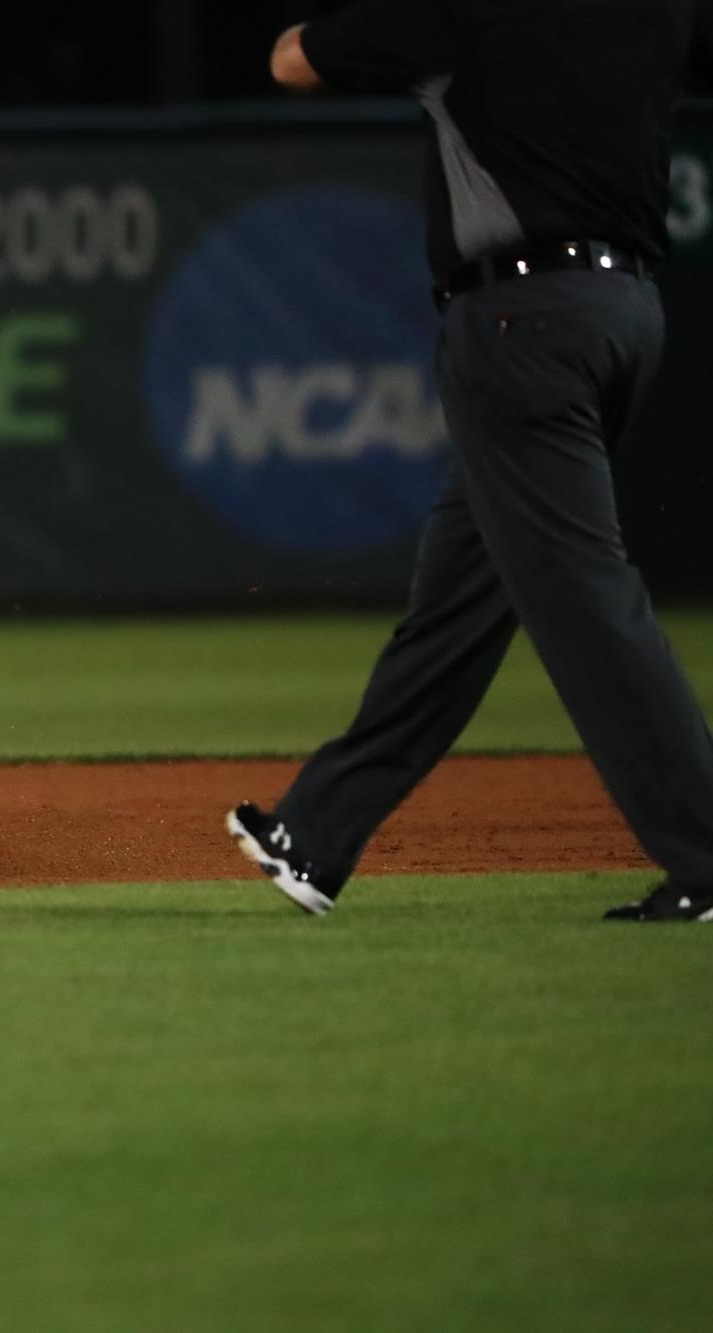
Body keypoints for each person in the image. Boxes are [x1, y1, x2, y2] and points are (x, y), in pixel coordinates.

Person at [226, 0, 713, 922]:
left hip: (521, 325)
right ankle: (316, 833)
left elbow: (292, 59)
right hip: (624, 314)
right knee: (458, 604)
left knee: (586, 601)